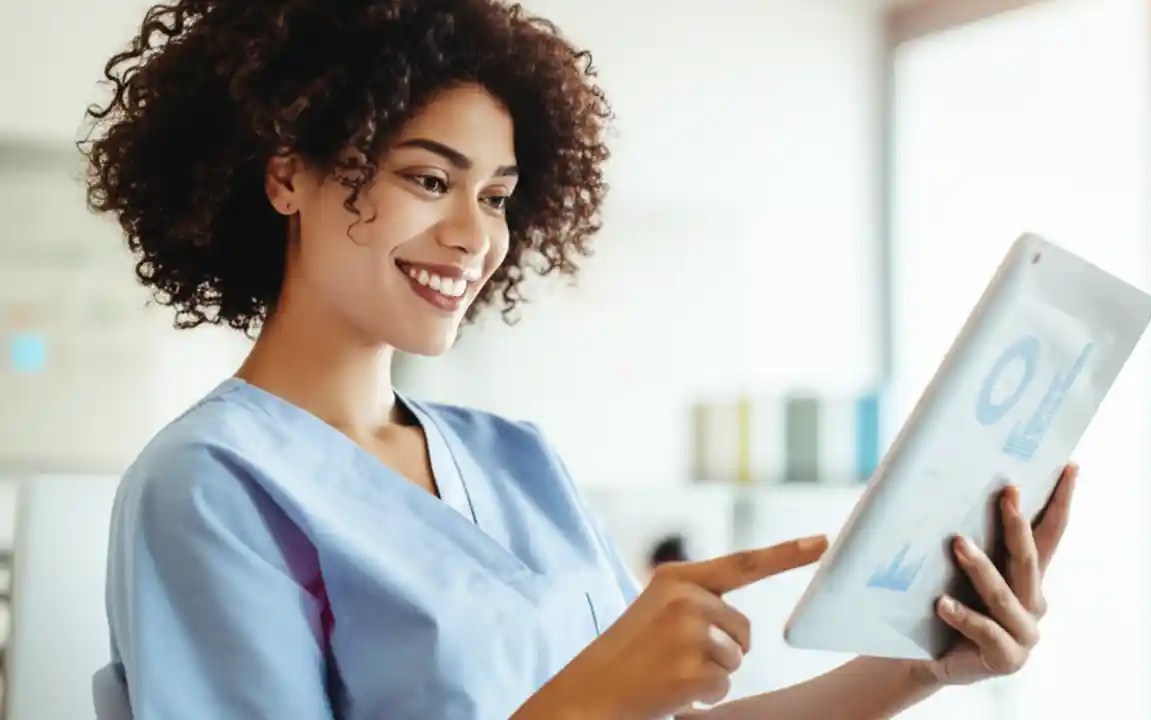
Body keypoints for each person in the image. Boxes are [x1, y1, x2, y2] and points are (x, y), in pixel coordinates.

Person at [82, 1, 1079, 718]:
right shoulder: (211, 485)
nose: (474, 236)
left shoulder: (516, 460)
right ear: (286, 174)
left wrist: (917, 666)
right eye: (431, 178)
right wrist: (591, 703)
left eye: (499, 196)